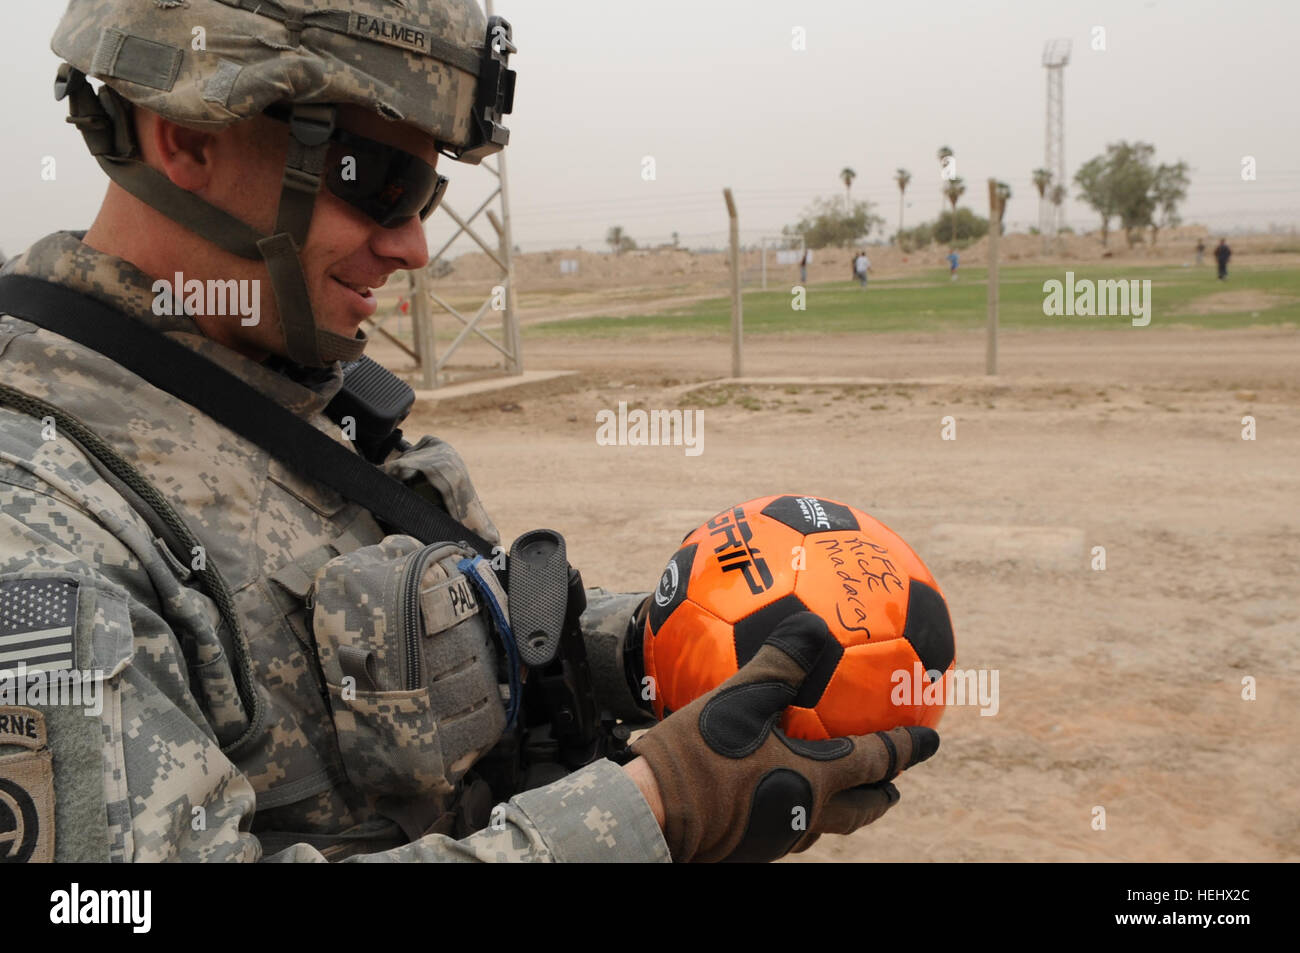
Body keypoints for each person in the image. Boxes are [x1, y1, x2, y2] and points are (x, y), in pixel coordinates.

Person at [0, 0, 937, 863]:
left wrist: (662, 643)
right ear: (190, 134)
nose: (411, 243)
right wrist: (655, 808)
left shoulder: (276, 380)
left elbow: (428, 650)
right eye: (377, 180)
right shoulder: (33, 526)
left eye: (427, 196)